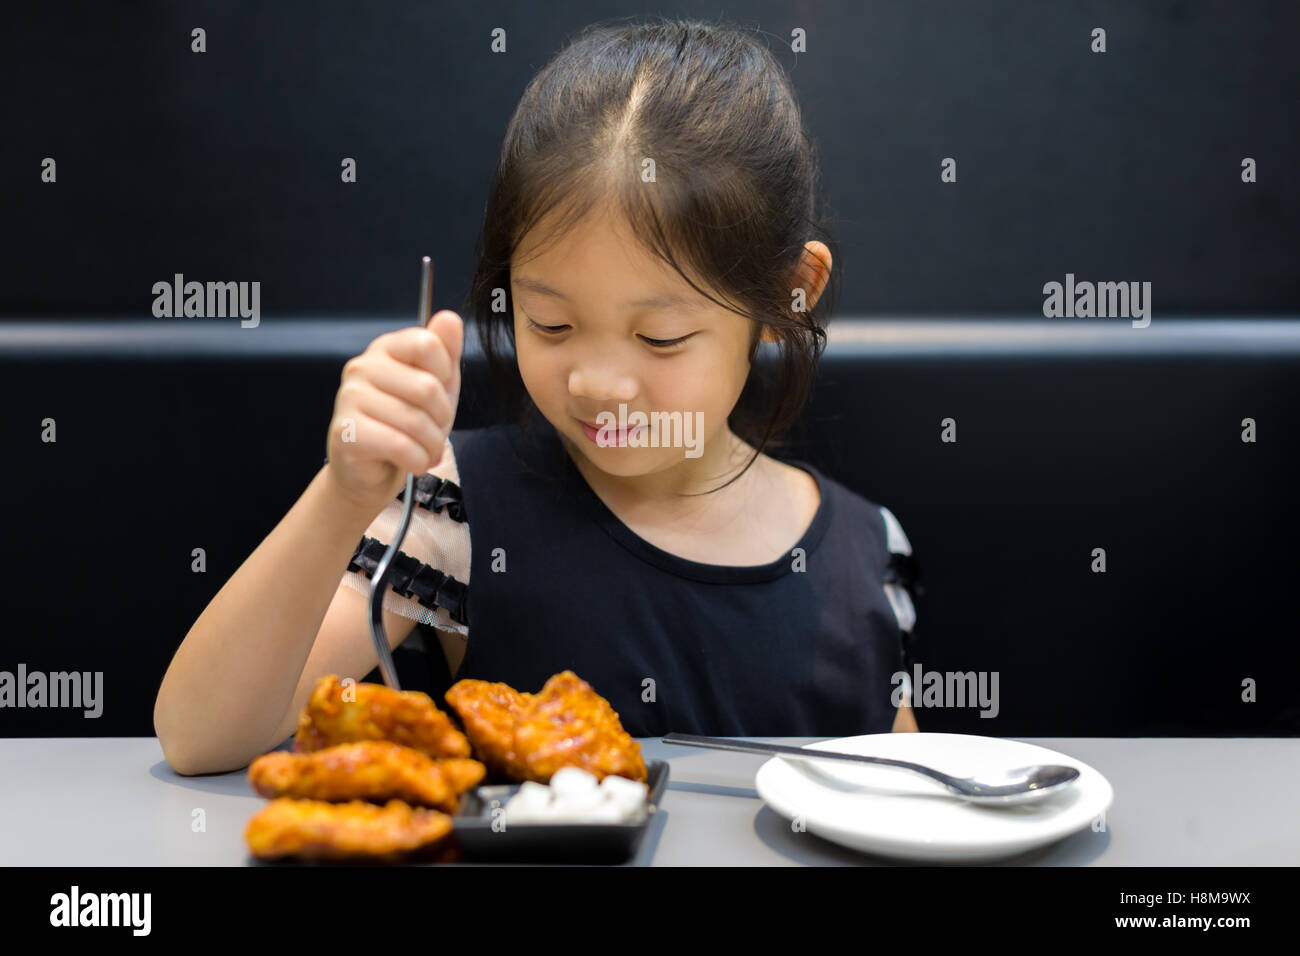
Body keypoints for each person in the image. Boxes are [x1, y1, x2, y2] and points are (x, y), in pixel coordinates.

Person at [154, 18, 921, 776]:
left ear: (790, 296)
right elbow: (203, 738)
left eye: (659, 338)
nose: (597, 383)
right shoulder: (452, 512)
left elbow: (915, 803)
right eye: (550, 323)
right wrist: (343, 493)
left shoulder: (866, 557)